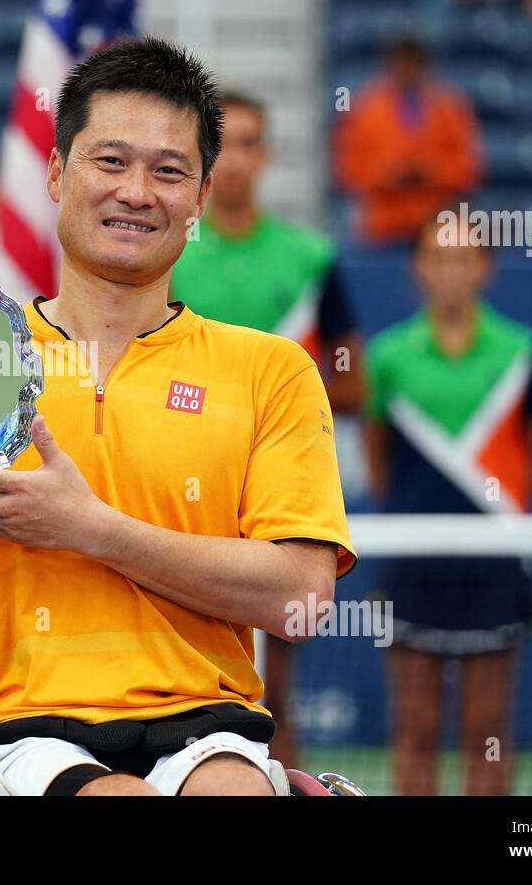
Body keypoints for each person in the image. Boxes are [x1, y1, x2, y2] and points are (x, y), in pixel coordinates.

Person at [0, 36, 357, 796]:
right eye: (109, 161)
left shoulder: (270, 369)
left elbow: (301, 598)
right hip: (17, 734)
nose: (137, 191)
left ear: (201, 198)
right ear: (55, 172)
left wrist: (91, 530)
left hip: (212, 730)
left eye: (168, 170)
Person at [171, 90, 365, 771]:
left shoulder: (309, 258)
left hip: (276, 497)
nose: (234, 160)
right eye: (219, 145)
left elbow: (351, 380)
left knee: (274, 687)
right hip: (178, 498)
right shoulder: (165, 253)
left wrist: (268, 407)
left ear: (268, 156)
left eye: (248, 142)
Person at [362, 211, 532, 795]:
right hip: (412, 564)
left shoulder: (521, 352)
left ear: (485, 268)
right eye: (438, 257)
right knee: (416, 726)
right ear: (419, 268)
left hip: (494, 566)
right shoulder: (388, 356)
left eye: (464, 257)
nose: (451, 271)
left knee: (487, 727)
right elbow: (378, 466)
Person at [333, 35, 484, 250]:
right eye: (402, 61)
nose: (407, 69)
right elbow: (348, 169)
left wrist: (430, 171)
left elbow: (468, 167)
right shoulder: (362, 109)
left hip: (436, 224)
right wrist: (387, 174)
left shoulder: (451, 108)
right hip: (382, 226)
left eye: (414, 62)